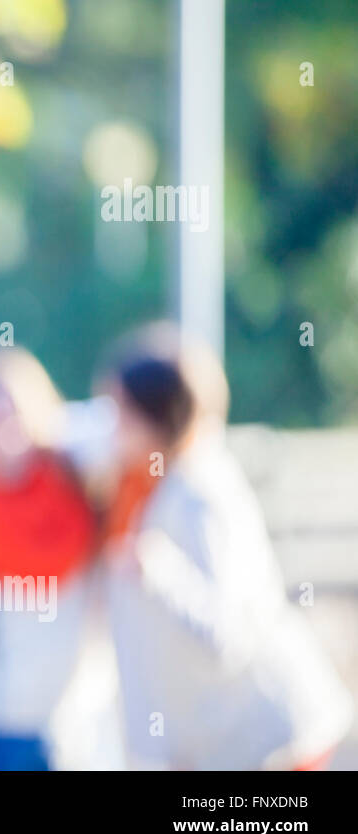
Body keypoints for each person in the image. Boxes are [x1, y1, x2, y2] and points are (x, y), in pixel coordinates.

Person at [95, 322, 352, 770]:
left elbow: (229, 634)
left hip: (267, 738)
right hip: (234, 742)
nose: (110, 425)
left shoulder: (200, 493)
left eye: (121, 410)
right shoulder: (157, 480)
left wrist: (161, 573)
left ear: (158, 415)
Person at [0, 343, 97, 770]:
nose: (1, 433)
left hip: (76, 722)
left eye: (10, 414)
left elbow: (115, 424)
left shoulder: (78, 480)